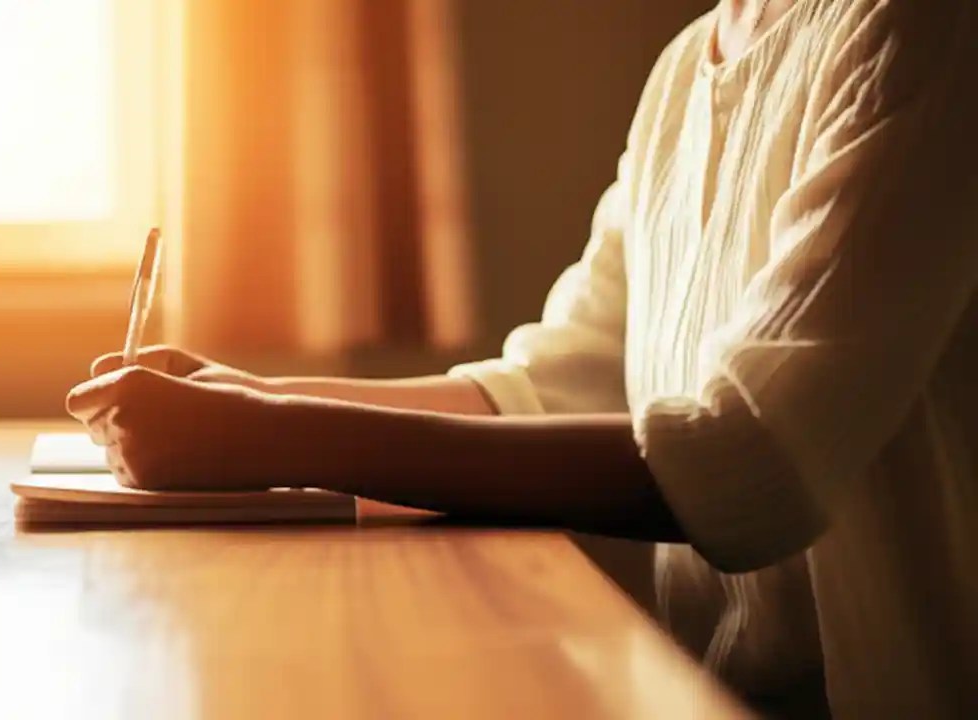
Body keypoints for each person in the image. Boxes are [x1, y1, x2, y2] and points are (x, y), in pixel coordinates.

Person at [67, 0, 978, 716]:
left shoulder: (918, 30)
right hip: (709, 696)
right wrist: (251, 397)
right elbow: (553, 381)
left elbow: (752, 461)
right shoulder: (686, 67)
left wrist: (275, 438)